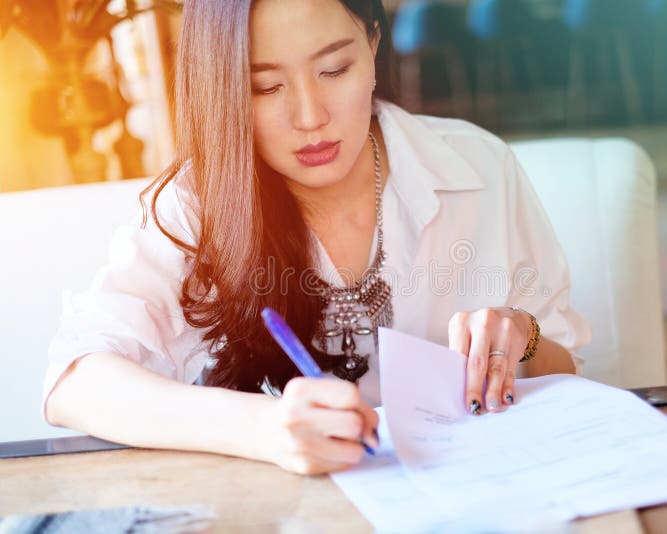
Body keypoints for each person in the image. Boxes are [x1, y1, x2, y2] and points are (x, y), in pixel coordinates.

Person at [43, 0, 590, 475]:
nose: (310, 117)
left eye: (334, 69)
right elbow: (73, 381)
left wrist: (526, 335)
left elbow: (575, 370)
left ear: (374, 44)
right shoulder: (193, 208)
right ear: (224, 86)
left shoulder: (478, 167)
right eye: (265, 86)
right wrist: (265, 429)